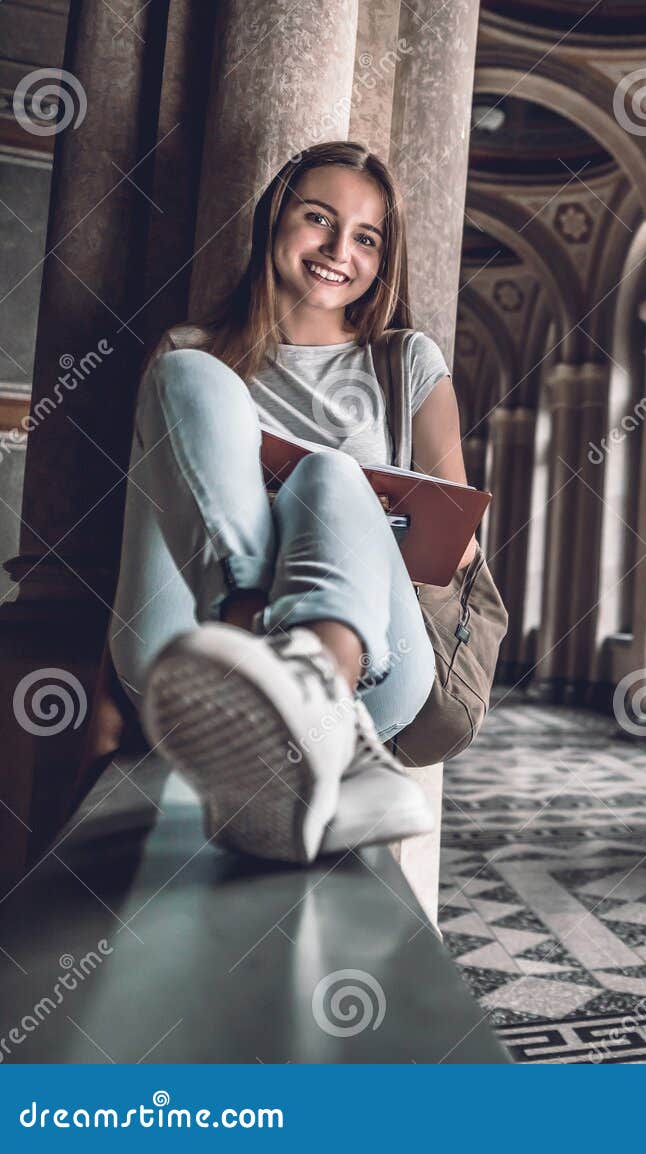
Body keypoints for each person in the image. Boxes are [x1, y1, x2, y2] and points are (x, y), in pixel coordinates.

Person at [109, 141, 478, 865]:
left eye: (366, 237)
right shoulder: (190, 353)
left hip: (376, 668)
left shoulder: (405, 361)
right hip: (190, 648)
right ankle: (257, 670)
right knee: (189, 371)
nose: (340, 249)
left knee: (332, 479)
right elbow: (142, 519)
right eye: (319, 218)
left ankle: (312, 692)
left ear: (382, 257)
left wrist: (335, 511)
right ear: (276, 219)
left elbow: (460, 547)